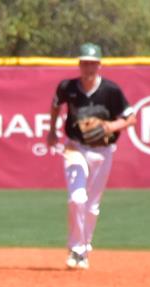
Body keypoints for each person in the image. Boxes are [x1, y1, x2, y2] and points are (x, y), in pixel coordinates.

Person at [43, 43, 136, 271]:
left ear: (99, 65)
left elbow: (131, 118)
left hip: (103, 152)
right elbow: (55, 105)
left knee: (92, 205)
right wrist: (52, 130)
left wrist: (110, 126)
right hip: (75, 147)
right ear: (79, 64)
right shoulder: (67, 87)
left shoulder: (110, 90)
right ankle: (76, 248)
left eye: (92, 63)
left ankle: (83, 249)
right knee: (77, 198)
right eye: (85, 63)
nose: (88, 68)